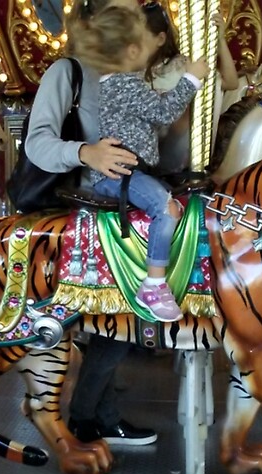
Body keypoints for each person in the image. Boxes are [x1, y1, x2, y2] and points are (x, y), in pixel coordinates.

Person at [26, 0, 157, 446]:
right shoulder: (69, 71)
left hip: (126, 209)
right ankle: (87, 415)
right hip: (84, 211)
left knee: (118, 320)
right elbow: (37, 142)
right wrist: (86, 152)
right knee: (115, 320)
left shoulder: (132, 74)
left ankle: (92, 415)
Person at [74, 6, 207, 323]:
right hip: (121, 176)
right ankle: (154, 284)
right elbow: (163, 113)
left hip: (131, 171)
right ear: (133, 50)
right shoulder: (123, 85)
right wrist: (191, 79)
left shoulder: (120, 83)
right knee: (165, 207)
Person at [142, 2, 238, 175]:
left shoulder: (179, 66)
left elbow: (231, 82)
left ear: (160, 39)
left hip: (173, 157)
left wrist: (220, 40)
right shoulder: (132, 70)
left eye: (140, 36)